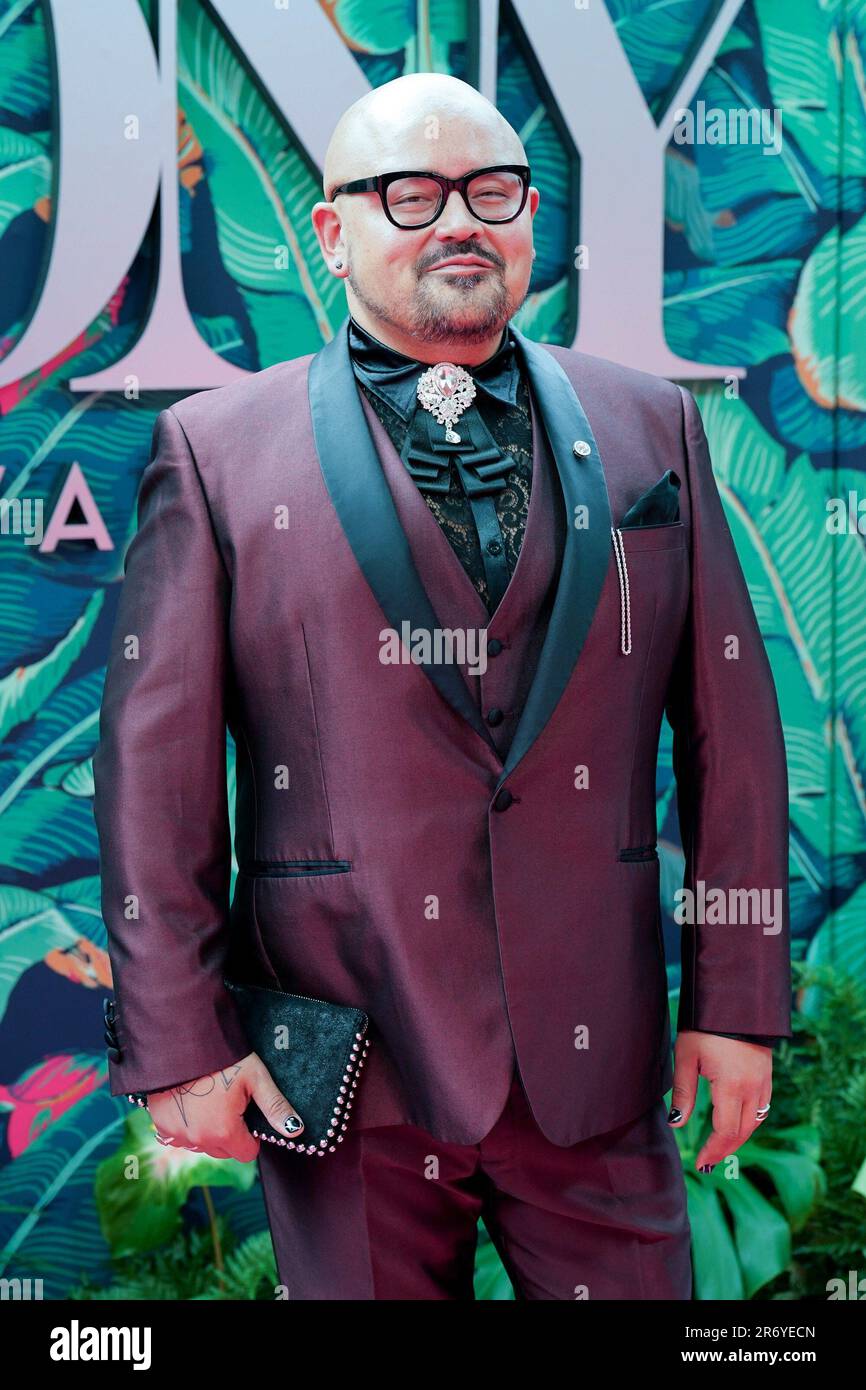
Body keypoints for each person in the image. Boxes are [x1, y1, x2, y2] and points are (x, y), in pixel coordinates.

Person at [93, 73, 792, 1300]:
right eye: (408, 193)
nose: (456, 219)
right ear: (331, 231)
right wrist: (177, 1043)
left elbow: (731, 735)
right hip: (345, 1049)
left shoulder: (649, 430)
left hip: (594, 1050)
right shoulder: (215, 453)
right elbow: (153, 783)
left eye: (490, 190)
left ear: (528, 219)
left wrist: (735, 1002)